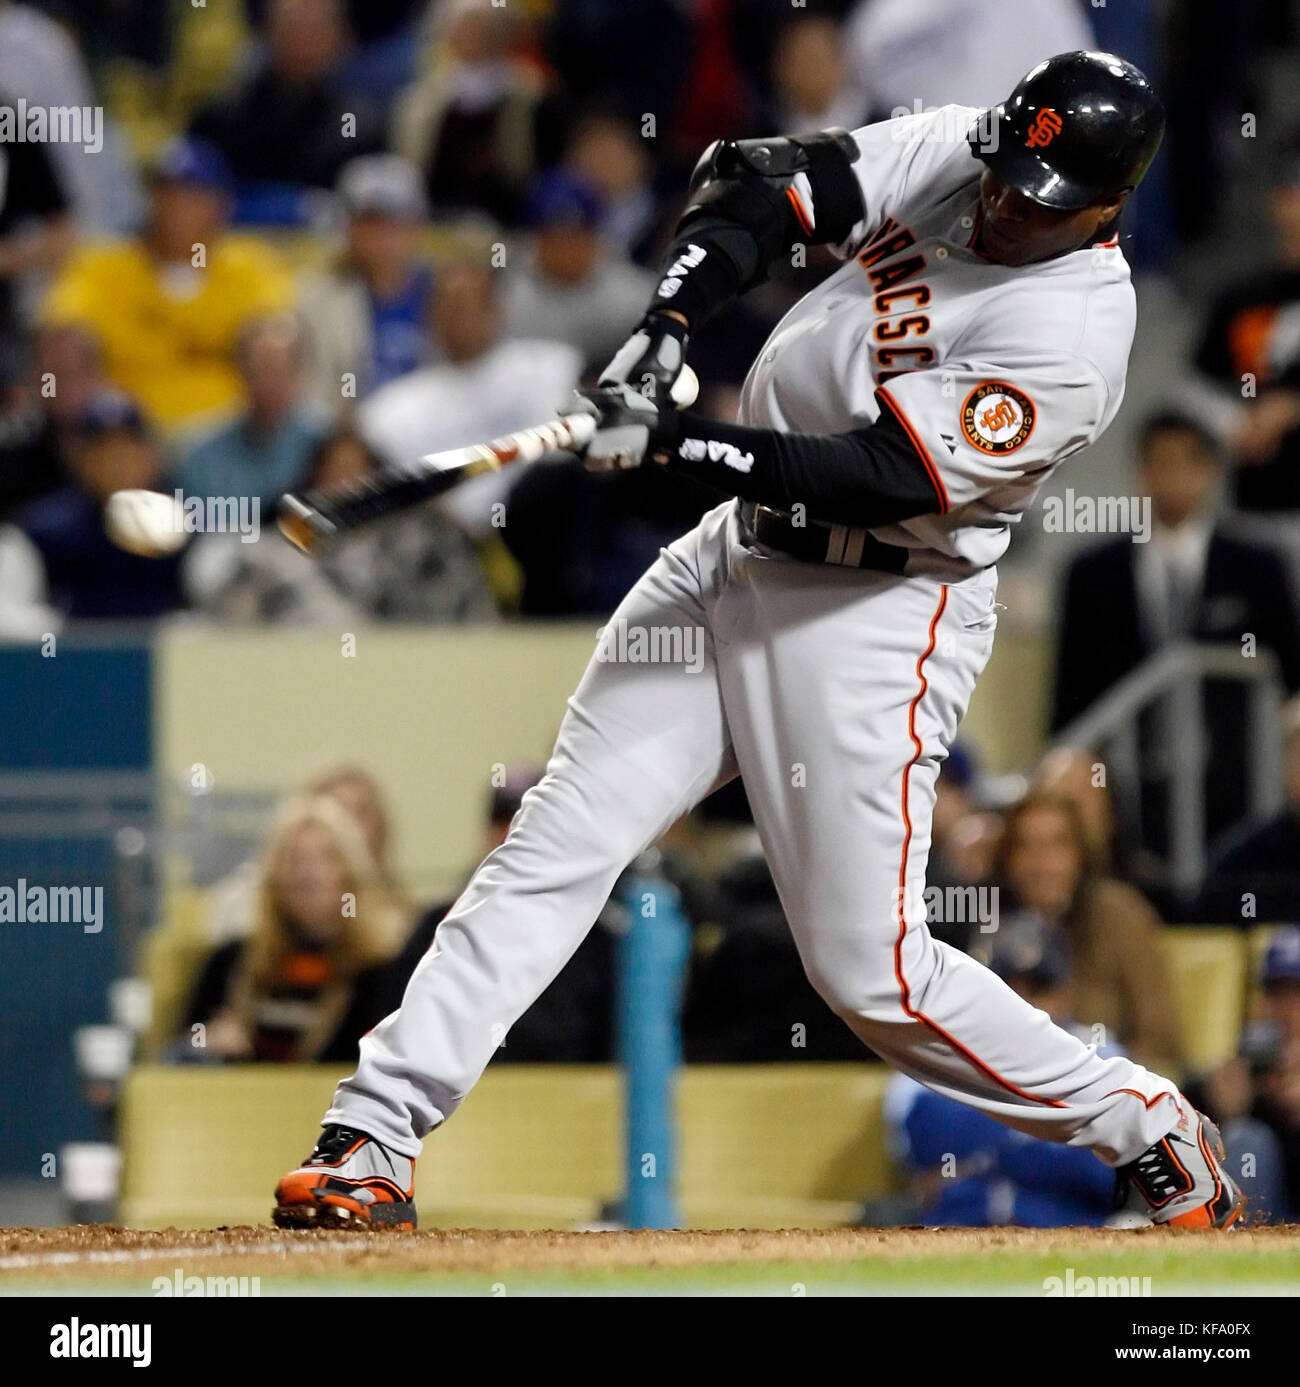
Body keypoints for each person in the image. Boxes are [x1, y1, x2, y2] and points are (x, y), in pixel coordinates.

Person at [274, 52, 1243, 1233]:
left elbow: (883, 478)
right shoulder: (969, 148)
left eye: (1036, 196)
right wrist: (666, 330)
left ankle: (1142, 1120)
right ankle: (373, 1133)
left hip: (879, 612)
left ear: (1105, 206)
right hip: (736, 556)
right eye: (1004, 170)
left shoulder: (1077, 328)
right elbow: (763, 186)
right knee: (554, 842)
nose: (1000, 200)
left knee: (873, 978)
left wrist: (686, 445)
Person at [1051, 410, 1300, 870]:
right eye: (1159, 463)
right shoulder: (1092, 575)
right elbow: (1070, 700)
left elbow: (1290, 683)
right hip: (1126, 786)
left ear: (1210, 472)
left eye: (1186, 462)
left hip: (1241, 782)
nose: (1172, 478)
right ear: (1140, 472)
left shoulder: (1257, 567)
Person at [883, 920, 1125, 1227]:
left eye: (1039, 986)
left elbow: (1099, 1174)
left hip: (1074, 1243)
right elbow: (929, 1146)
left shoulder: (1101, 1054)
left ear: (1068, 993)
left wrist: (982, 1160)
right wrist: (1044, 1133)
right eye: (1006, 987)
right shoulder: (934, 1052)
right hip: (955, 1244)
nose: (1022, 1003)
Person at [42, 137, 293, 433]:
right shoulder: (103, 267)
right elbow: (61, 335)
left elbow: (281, 339)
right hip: (122, 438)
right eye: (166, 192)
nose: (176, 206)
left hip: (233, 444)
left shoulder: (250, 268)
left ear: (221, 204)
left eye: (191, 194)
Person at [177, 792, 413, 1063]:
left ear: (351, 874)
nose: (308, 873)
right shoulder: (230, 963)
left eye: (326, 858)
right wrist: (209, 1045)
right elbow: (178, 1050)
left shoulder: (382, 974)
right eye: (294, 858)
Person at [187, 428, 497, 625]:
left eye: (357, 474)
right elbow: (228, 623)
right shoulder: (271, 553)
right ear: (314, 483)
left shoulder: (424, 546)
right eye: (335, 474)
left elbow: (472, 620)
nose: (346, 486)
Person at [985, 793, 1183, 1080]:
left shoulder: (1119, 914)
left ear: (1080, 854)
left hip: (1105, 1080)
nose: (1041, 863)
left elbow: (1158, 1036)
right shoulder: (991, 920)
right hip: (1004, 1082)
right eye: (1026, 847)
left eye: (1056, 845)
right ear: (1007, 860)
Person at [0, 390, 184, 636]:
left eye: (128, 449)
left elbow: (220, 604)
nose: (118, 464)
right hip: (66, 667)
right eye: (103, 452)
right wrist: (59, 630)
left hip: (168, 666)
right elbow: (6, 612)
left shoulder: (187, 526)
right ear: (77, 457)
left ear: (152, 455)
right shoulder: (38, 532)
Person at [299, 154, 437, 418]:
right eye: (369, 221)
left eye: (393, 221)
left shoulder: (445, 294)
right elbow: (314, 399)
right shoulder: (317, 300)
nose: (380, 236)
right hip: (352, 439)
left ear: (418, 223)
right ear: (348, 227)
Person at [501, 170, 657, 376]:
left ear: (595, 237)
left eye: (576, 237)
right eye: (555, 239)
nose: (566, 251)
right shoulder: (504, 297)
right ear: (536, 241)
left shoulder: (637, 296)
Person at [176, 314, 326, 509]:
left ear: (299, 372)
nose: (271, 383)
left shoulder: (327, 443)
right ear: (241, 373)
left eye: (281, 370)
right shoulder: (200, 455)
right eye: (262, 370)